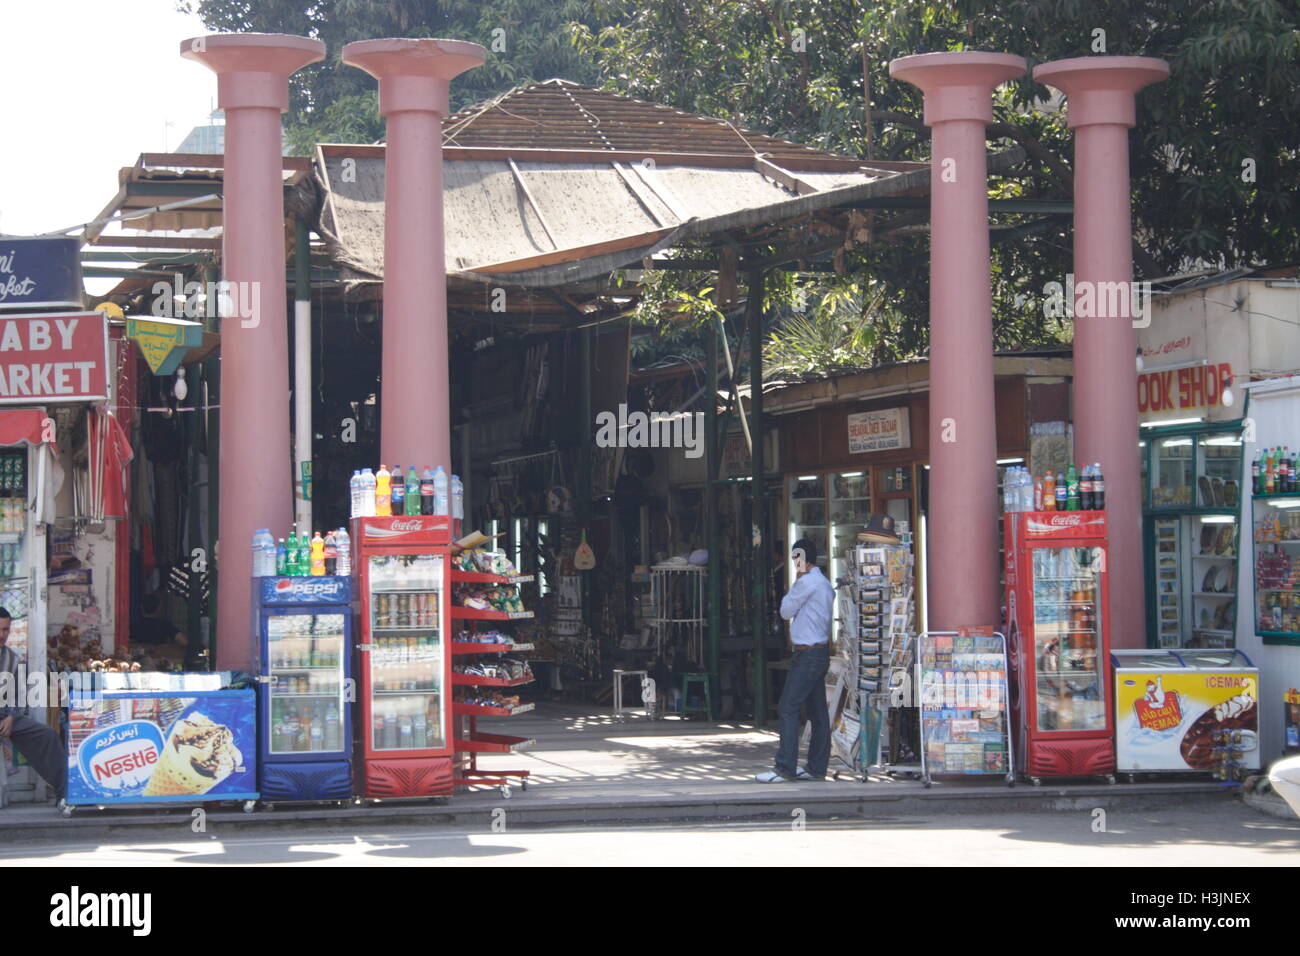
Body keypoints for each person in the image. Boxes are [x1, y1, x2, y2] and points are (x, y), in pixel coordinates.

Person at [756, 538, 833, 783]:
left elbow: (785, 611)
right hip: (820, 653)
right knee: (818, 712)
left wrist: (794, 588)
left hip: (806, 654)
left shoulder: (806, 582)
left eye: (794, 559)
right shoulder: (824, 582)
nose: (793, 563)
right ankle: (816, 767)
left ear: (800, 558)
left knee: (788, 707)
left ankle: (785, 766)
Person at [0, 607, 66, 803]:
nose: (2, 634)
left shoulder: (13, 659)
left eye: (5, 629)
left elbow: (19, 696)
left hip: (5, 717)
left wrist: (12, 718)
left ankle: (66, 793)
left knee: (47, 736)